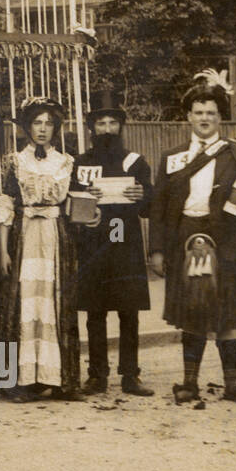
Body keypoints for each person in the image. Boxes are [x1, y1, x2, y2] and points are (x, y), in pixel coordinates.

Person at [148, 70, 236, 404]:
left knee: (231, 309)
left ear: (219, 118)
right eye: (199, 112)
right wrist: (157, 250)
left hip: (230, 239)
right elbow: (159, 207)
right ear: (189, 116)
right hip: (186, 237)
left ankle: (232, 384)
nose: (205, 118)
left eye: (211, 113)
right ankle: (189, 383)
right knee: (192, 309)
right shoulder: (172, 157)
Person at [0, 96, 83, 401]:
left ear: (56, 127)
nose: (43, 129)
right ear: (27, 127)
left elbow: (76, 203)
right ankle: (23, 382)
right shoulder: (15, 162)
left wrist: (92, 211)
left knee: (55, 302)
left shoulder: (66, 162)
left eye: (49, 123)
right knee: (26, 304)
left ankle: (59, 381)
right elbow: (6, 204)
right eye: (37, 122)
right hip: (25, 236)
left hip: (56, 237)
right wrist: (4, 250)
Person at [70, 90, 154, 396]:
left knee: (128, 311)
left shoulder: (135, 162)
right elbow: (73, 208)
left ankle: (130, 375)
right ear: (92, 128)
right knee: (95, 312)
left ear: (120, 126)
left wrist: (142, 195)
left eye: (112, 123)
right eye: (101, 123)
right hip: (94, 245)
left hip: (126, 245)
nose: (107, 129)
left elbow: (149, 207)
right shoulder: (80, 163)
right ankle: (97, 375)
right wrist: (85, 201)